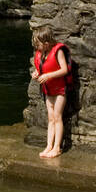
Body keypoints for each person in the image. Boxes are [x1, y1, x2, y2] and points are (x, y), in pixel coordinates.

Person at [30, 26, 72, 158]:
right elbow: (42, 67)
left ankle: (57, 147)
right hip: (48, 90)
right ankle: (49, 146)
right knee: (50, 118)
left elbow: (64, 69)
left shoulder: (57, 51)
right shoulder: (41, 53)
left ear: (47, 43)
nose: (36, 46)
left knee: (57, 117)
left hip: (60, 90)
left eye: (38, 43)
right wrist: (36, 73)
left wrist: (48, 76)